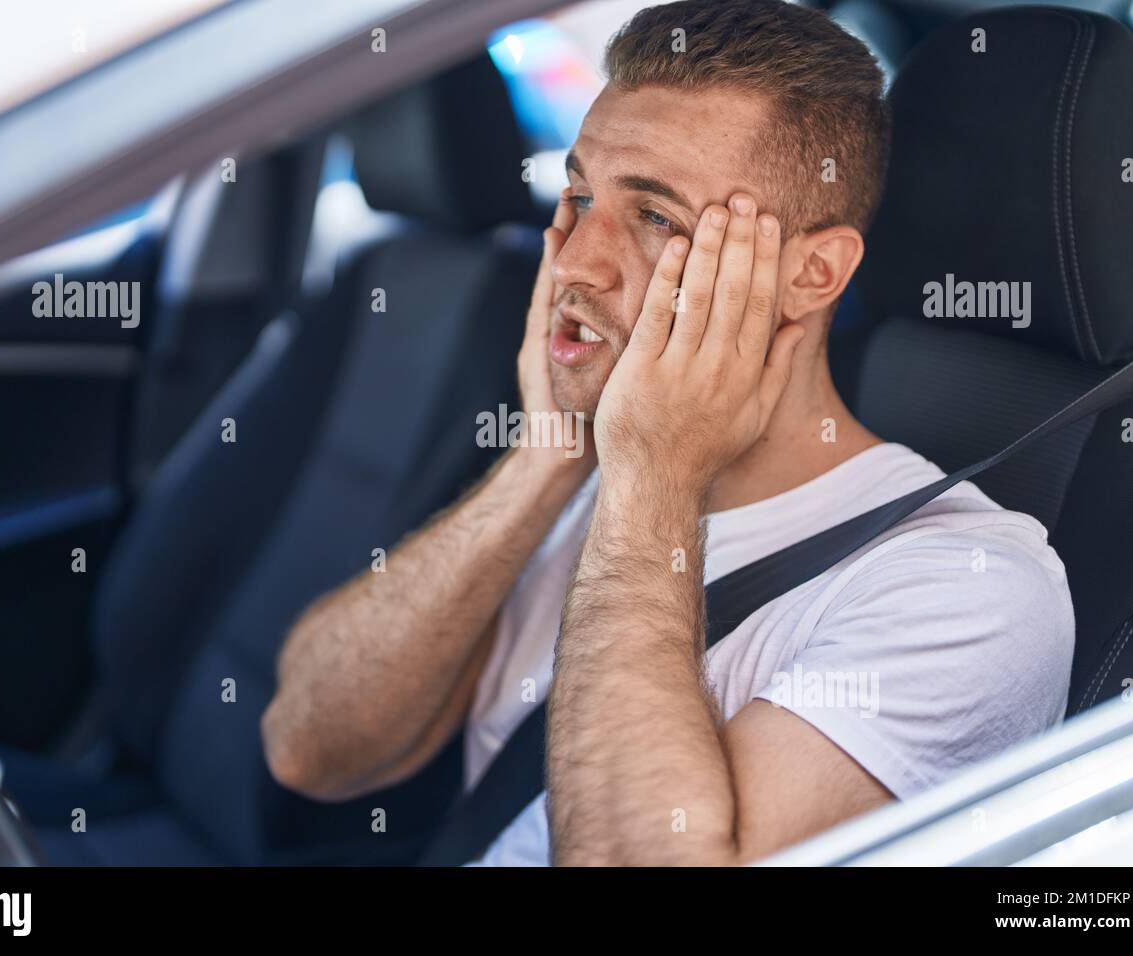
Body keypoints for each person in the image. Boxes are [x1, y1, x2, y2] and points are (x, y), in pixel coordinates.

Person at [262, 0, 1074, 866]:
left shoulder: (970, 591)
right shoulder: (591, 465)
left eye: (655, 217)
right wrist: (548, 459)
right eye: (578, 195)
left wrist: (654, 480)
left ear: (811, 273)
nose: (574, 258)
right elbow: (308, 748)